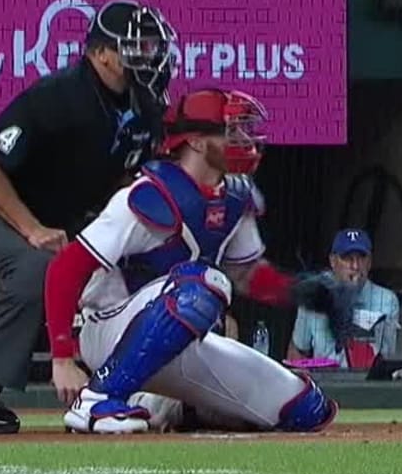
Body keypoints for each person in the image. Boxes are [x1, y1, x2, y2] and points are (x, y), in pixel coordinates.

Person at [0, 0, 174, 434]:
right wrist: (31, 229)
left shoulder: (146, 104)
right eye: (135, 46)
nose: (148, 55)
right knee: (37, 266)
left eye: (151, 46)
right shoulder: (58, 96)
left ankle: (121, 388)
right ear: (100, 52)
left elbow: (126, 176)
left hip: (71, 217)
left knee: (134, 264)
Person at [41, 89, 338, 434]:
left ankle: (163, 406)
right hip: (110, 330)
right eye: (231, 131)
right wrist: (62, 358)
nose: (243, 140)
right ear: (196, 142)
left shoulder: (235, 197)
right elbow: (65, 269)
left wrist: (302, 291)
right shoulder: (147, 194)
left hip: (183, 334)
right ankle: (97, 400)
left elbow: (248, 277)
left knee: (305, 408)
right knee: (204, 284)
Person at [287, 228, 402, 366]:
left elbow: (389, 357)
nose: (355, 266)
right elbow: (298, 351)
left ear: (370, 262)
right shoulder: (315, 296)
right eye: (347, 258)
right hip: (325, 382)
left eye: (361, 258)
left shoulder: (387, 300)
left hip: (368, 383)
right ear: (333, 262)